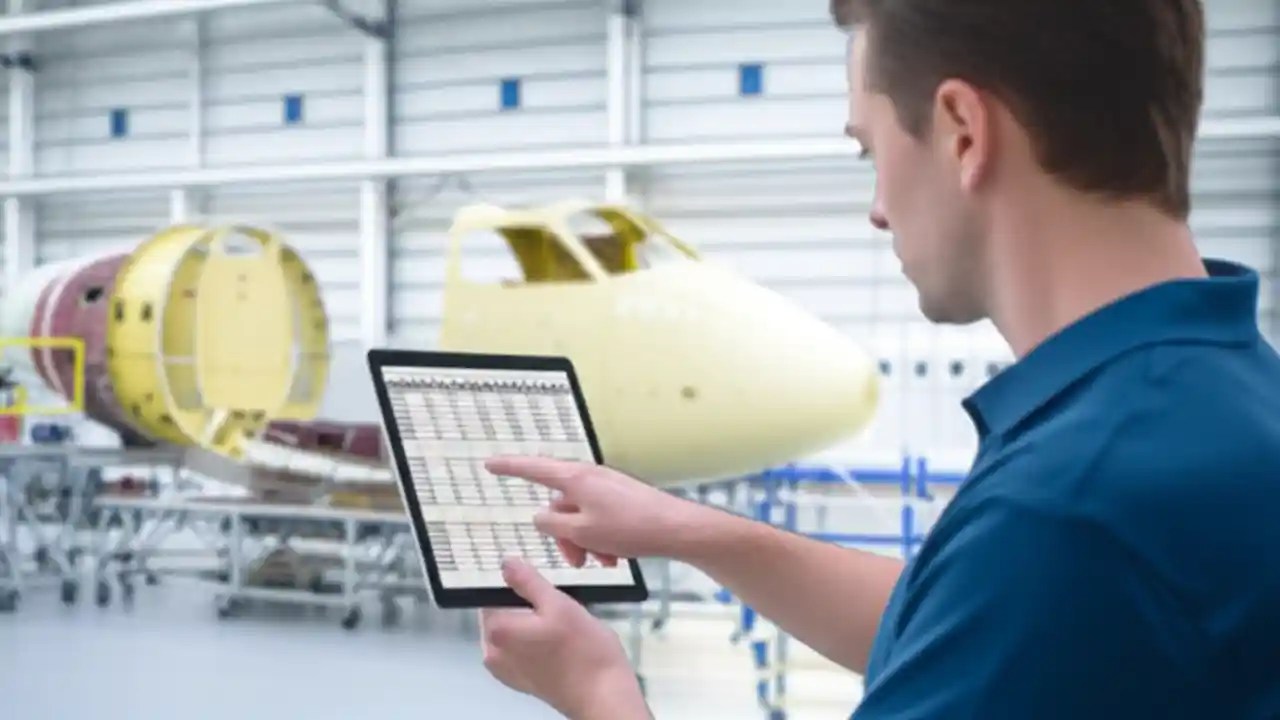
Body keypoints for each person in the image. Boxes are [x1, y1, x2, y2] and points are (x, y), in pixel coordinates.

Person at [476, 0, 1280, 717]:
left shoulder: (1065, 511)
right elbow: (961, 621)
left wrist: (598, 691)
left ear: (963, 132)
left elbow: (1014, 588)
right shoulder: (1222, 396)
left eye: (870, 149)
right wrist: (687, 531)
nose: (876, 209)